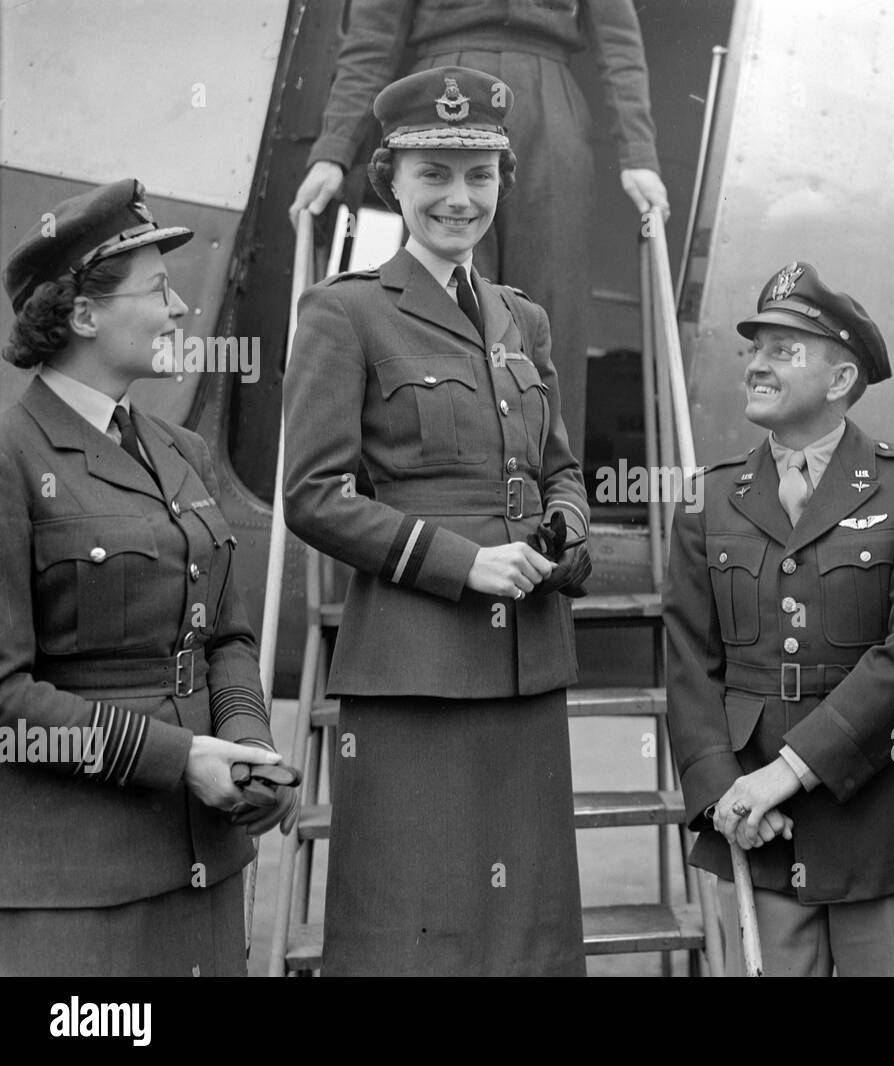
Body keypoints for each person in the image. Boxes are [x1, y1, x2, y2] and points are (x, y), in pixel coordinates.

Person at [282, 66, 592, 976]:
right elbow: (314, 494)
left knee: (527, 939)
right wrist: (468, 564)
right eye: (434, 176)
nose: (460, 200)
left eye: (480, 177)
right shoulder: (344, 313)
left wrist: (563, 537)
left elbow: (560, 469)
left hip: (528, 665)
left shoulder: (522, 320)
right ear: (393, 183)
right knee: (408, 931)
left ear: (501, 182)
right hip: (415, 666)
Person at [0, 179, 297, 977]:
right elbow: (5, 701)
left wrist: (247, 744)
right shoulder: (12, 457)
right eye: (158, 289)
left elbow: (227, 636)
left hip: (202, 864)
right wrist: (178, 758)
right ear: (84, 315)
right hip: (80, 888)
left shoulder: (182, 451)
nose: (178, 310)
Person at [664, 262, 894, 977]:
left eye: (783, 350)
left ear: (840, 381)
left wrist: (785, 774)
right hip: (758, 830)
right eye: (754, 349)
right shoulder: (706, 503)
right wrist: (721, 792)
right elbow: (689, 666)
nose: (757, 367)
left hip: (885, 827)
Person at [288, 0, 670, 465]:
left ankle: (552, 496)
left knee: (551, 313)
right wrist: (334, 150)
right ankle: (446, 489)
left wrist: (639, 155)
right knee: (439, 308)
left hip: (551, 104)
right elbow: (373, 36)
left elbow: (619, 40)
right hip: (442, 98)